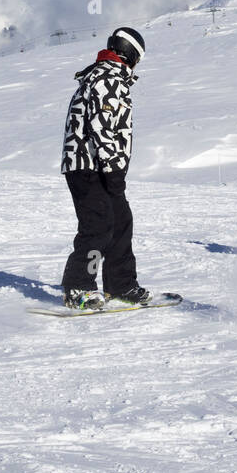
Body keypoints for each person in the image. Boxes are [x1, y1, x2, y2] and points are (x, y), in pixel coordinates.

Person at [59, 26, 149, 310]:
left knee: (121, 223)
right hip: (88, 165)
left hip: (101, 165)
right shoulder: (107, 79)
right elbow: (101, 129)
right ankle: (78, 287)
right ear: (131, 55)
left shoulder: (107, 76)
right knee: (97, 227)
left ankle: (120, 284)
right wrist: (113, 171)